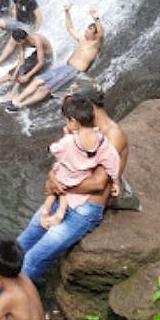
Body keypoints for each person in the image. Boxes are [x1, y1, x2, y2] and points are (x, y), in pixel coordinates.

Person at [17, 139, 112, 281]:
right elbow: (56, 167)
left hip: (82, 206)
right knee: (19, 245)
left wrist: (60, 184)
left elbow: (98, 183)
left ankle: (10, 296)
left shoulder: (108, 140)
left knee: (33, 259)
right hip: (62, 196)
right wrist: (53, 178)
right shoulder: (72, 139)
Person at [37, 96, 121, 229]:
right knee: (59, 186)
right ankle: (55, 212)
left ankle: (50, 212)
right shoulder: (102, 141)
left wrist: (64, 137)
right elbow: (112, 159)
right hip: (83, 175)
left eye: (67, 121)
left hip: (69, 177)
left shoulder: (70, 140)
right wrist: (116, 181)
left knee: (56, 189)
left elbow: (56, 150)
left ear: (74, 121)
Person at [11, 5, 104, 109]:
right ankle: (17, 100)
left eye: (89, 31)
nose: (85, 31)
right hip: (65, 68)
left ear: (94, 34)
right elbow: (70, 28)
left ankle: (21, 105)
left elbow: (101, 35)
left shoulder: (95, 46)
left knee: (44, 89)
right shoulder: (82, 40)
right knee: (38, 80)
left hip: (73, 71)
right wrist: (67, 12)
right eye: (87, 29)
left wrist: (96, 18)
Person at [0, 29, 52, 106]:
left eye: (16, 41)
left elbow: (41, 62)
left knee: (25, 72)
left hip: (47, 57)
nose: (15, 43)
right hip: (36, 54)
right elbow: (21, 61)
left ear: (22, 39)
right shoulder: (23, 41)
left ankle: (12, 94)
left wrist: (27, 76)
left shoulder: (36, 40)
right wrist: (14, 74)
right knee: (18, 70)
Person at [0, 0, 44, 65]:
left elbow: (39, 17)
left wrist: (36, 30)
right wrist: (13, 19)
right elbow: (14, 8)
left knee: (13, 39)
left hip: (26, 25)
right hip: (17, 22)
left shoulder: (31, 1)